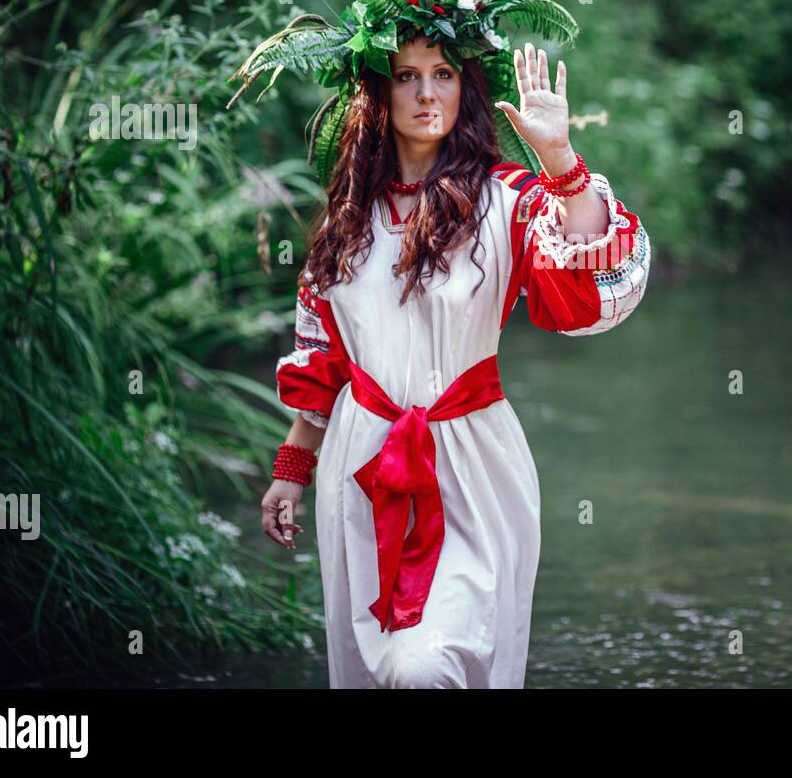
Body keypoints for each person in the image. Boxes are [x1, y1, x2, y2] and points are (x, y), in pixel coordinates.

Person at [259, 35, 651, 687]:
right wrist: (290, 470)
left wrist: (560, 159)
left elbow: (582, 295)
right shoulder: (346, 220)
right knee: (376, 667)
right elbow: (324, 362)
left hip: (471, 463)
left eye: (442, 74)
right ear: (378, 93)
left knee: (430, 666)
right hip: (361, 462)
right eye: (406, 76)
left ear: (465, 88)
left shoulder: (510, 200)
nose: (425, 93)